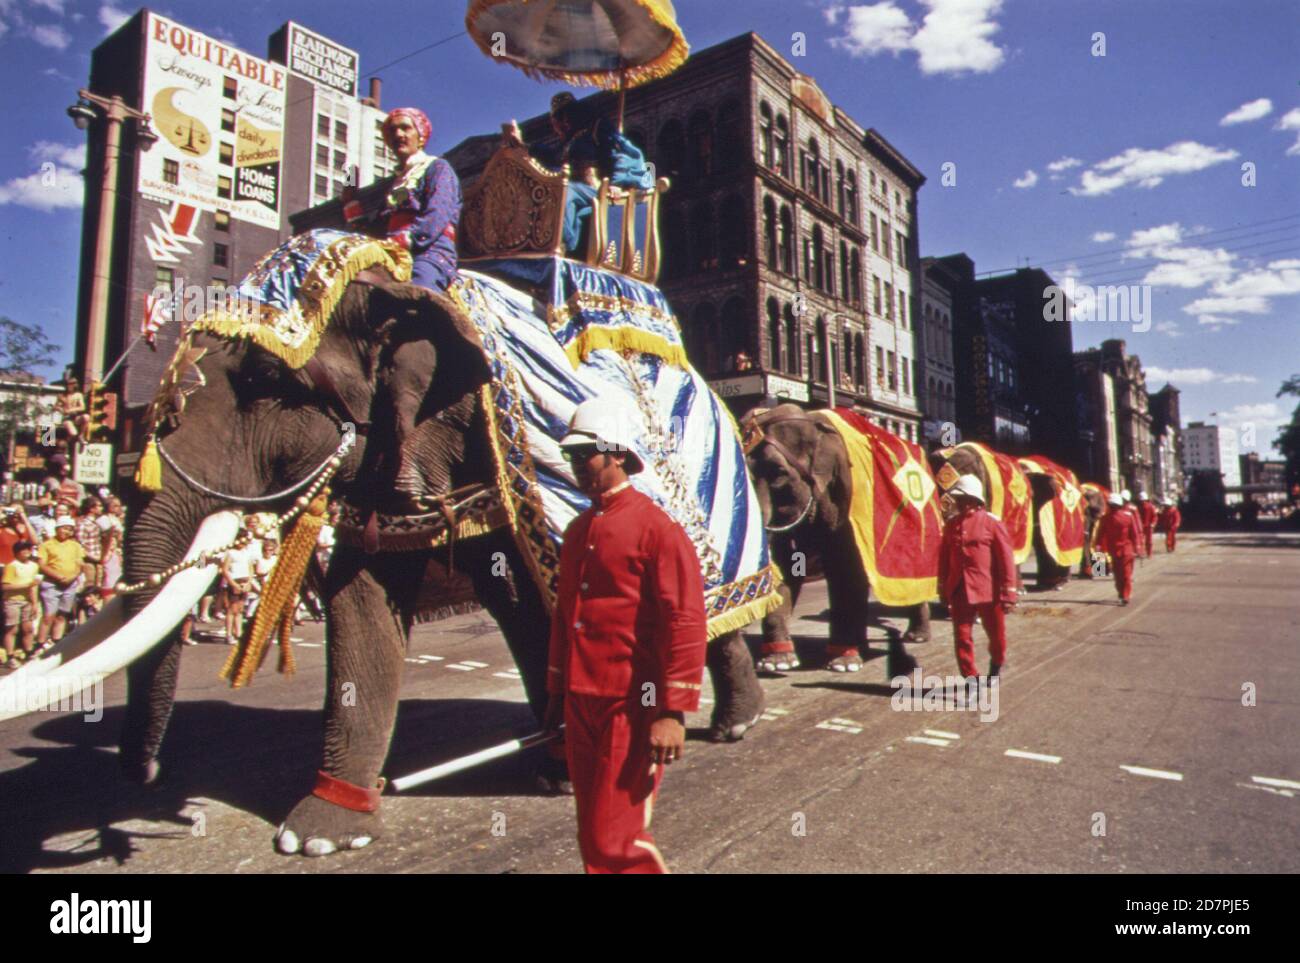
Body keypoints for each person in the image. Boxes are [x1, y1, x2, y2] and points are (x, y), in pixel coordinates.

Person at [544, 398, 707, 874]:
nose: (577, 466)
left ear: (616, 454)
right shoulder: (577, 531)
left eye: (586, 456)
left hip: (632, 704)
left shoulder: (658, 529)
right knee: (591, 831)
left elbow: (684, 620)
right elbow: (564, 616)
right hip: (581, 701)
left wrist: (672, 710)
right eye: (571, 457)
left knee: (616, 836)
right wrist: (557, 695)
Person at [505, 92, 655, 254]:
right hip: (575, 188)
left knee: (564, 191)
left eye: (559, 120)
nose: (557, 127)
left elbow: (623, 154)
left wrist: (616, 183)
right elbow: (552, 156)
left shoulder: (597, 128)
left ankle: (563, 243)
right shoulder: (569, 141)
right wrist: (522, 145)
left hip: (594, 189)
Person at [345, 107, 460, 292]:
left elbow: (437, 213)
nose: (398, 134)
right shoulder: (396, 184)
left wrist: (404, 239)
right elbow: (376, 229)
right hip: (392, 252)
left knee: (417, 294)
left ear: (421, 136)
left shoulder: (438, 168)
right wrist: (350, 201)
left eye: (405, 128)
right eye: (392, 131)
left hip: (428, 252)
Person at [937, 474, 1017, 681]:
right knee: (962, 637)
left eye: (963, 498)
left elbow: (1006, 559)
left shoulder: (992, 523)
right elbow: (944, 559)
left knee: (997, 637)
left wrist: (1009, 592)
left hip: (988, 590)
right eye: (958, 499)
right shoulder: (951, 525)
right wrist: (943, 588)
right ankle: (970, 678)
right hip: (959, 589)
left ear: (975, 499)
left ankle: (997, 662)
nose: (959, 503)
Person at [37, 515, 85, 647]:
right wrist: (58, 577)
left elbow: (80, 564)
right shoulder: (46, 545)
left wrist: (73, 576)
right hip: (52, 584)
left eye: (70, 529)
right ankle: (40, 643)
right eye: (65, 528)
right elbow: (42, 565)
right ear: (57, 528)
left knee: (63, 614)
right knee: (49, 615)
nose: (67, 532)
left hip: (70, 583)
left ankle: (56, 640)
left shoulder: (75, 546)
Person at [1094, 492, 1146, 605]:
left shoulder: (1128, 516)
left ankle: (1125, 595)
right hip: (1113, 550)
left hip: (1127, 550)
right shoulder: (1105, 518)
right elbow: (1100, 533)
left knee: (1126, 574)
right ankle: (1121, 594)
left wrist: (1138, 547)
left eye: (1113, 505)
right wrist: (1098, 545)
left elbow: (1134, 533)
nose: (1112, 507)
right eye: (1110, 505)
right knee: (1118, 575)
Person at [3, 540, 41, 667]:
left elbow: (34, 587)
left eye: (28, 549)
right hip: (12, 601)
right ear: (17, 552)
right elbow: (5, 586)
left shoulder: (33, 566)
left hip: (27, 601)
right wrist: (25, 586)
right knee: (12, 629)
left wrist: (35, 603)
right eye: (23, 550)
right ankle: (10, 656)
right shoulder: (12, 566)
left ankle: (29, 652)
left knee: (28, 628)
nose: (26, 552)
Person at [220, 533, 260, 645]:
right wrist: (233, 584)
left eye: (245, 541)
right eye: (240, 541)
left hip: (245, 581)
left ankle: (238, 632)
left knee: (240, 609)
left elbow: (251, 569)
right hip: (235, 581)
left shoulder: (247, 553)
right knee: (231, 610)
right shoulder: (230, 553)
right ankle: (228, 634)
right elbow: (225, 570)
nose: (242, 544)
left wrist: (248, 582)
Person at [76, 496, 105, 617]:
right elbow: (80, 545)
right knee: (87, 591)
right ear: (91, 509)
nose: (101, 508)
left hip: (98, 561)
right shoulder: (83, 524)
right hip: (88, 561)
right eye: (98, 506)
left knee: (97, 590)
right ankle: (82, 618)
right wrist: (93, 557)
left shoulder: (98, 523)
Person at [1136, 490, 1158, 558]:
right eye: (1141, 500)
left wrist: (1153, 524)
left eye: (1143, 500)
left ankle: (1149, 553)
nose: (1142, 501)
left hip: (1149, 526)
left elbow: (1154, 516)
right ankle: (1141, 553)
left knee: (1149, 541)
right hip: (1141, 526)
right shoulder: (1138, 507)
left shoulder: (1151, 507)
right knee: (1141, 540)